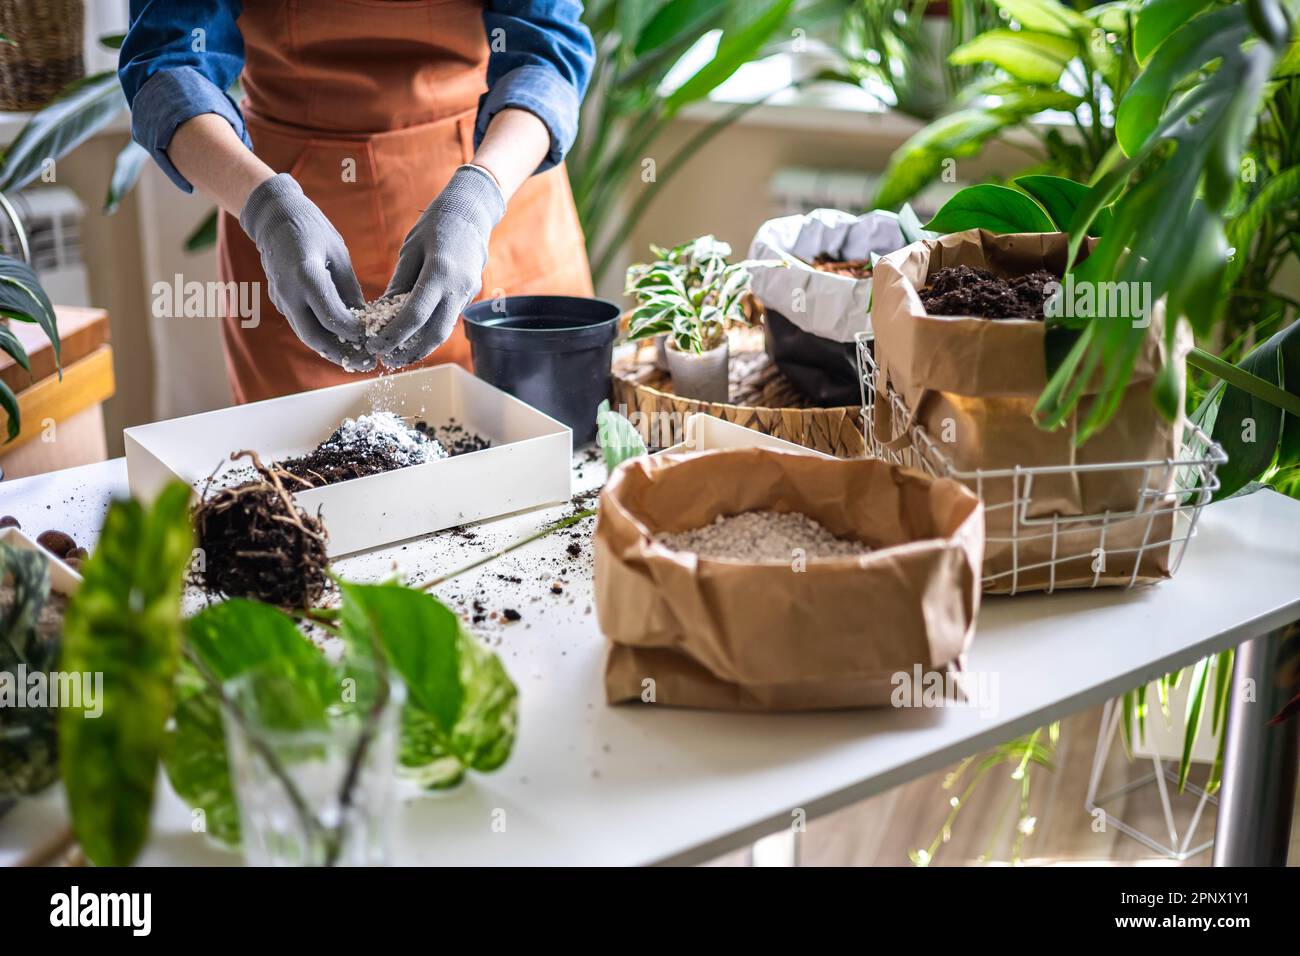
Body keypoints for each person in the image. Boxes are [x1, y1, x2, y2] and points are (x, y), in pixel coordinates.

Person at [119, 0, 595, 403]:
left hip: (495, 190)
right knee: (305, 498)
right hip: (288, 223)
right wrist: (267, 208)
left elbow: (547, 56)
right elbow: (168, 65)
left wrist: (478, 199)